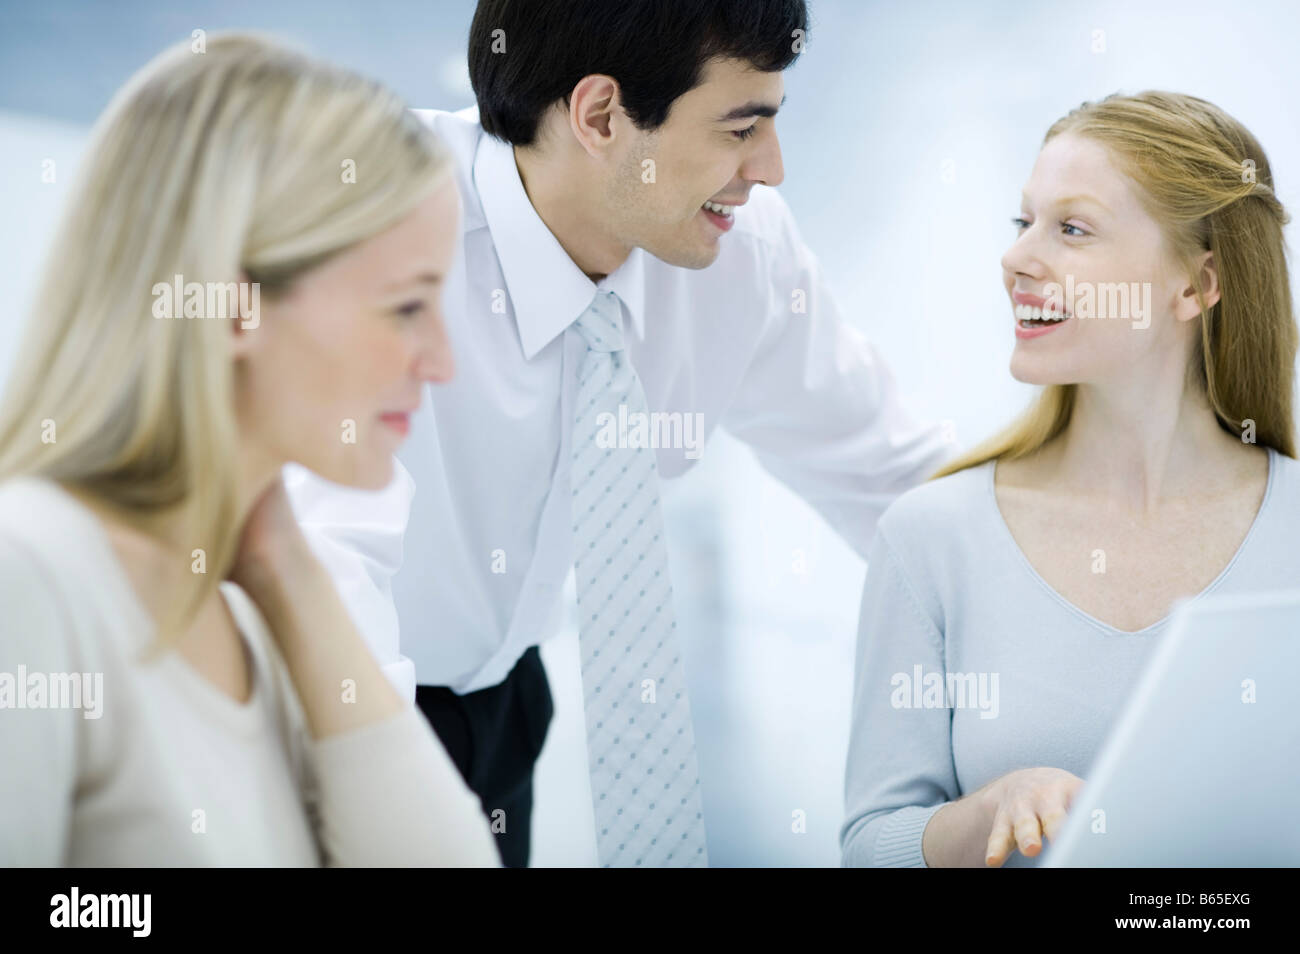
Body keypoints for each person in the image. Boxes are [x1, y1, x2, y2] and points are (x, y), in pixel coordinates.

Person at [284, 0, 957, 867]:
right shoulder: (380, 231)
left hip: (502, 710)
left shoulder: (738, 255)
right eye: (740, 128)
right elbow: (322, 577)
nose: (772, 169)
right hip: (328, 712)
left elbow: (891, 473)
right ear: (600, 115)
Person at [0, 33, 500, 866]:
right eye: (408, 307)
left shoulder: (251, 603)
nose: (442, 363)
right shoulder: (30, 573)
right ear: (236, 310)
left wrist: (289, 571)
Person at [841, 91, 1300, 868]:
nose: (1017, 258)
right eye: (1024, 223)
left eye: (1073, 229)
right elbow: (868, 845)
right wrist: (989, 806)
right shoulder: (931, 537)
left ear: (1197, 285)